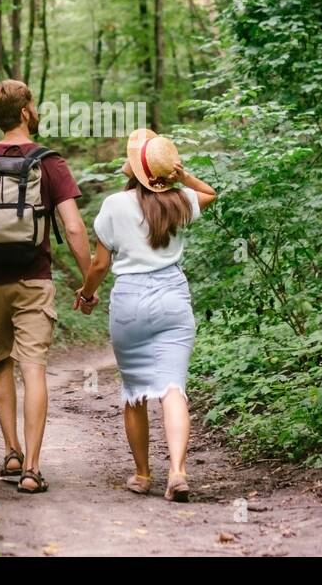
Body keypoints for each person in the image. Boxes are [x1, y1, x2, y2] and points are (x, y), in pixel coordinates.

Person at [0, 80, 93, 495]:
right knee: (34, 368)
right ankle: (31, 468)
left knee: (0, 365)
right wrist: (88, 280)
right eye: (34, 104)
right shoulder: (49, 162)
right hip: (33, 278)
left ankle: (10, 451)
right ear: (26, 112)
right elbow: (75, 227)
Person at [75, 128, 217, 501]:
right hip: (173, 298)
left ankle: (141, 475)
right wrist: (180, 176)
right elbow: (211, 194)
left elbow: (99, 264)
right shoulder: (180, 202)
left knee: (135, 392)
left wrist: (87, 295)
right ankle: (178, 471)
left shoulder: (113, 206)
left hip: (130, 302)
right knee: (173, 388)